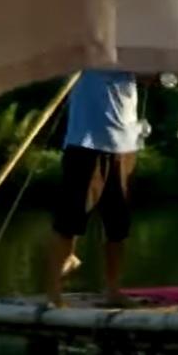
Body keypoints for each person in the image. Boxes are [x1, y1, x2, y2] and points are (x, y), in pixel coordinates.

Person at [44, 69, 146, 306]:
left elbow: (151, 73)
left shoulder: (132, 54)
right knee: (69, 220)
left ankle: (112, 290)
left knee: (118, 226)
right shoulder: (89, 46)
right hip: (86, 143)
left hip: (124, 145)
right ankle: (54, 293)